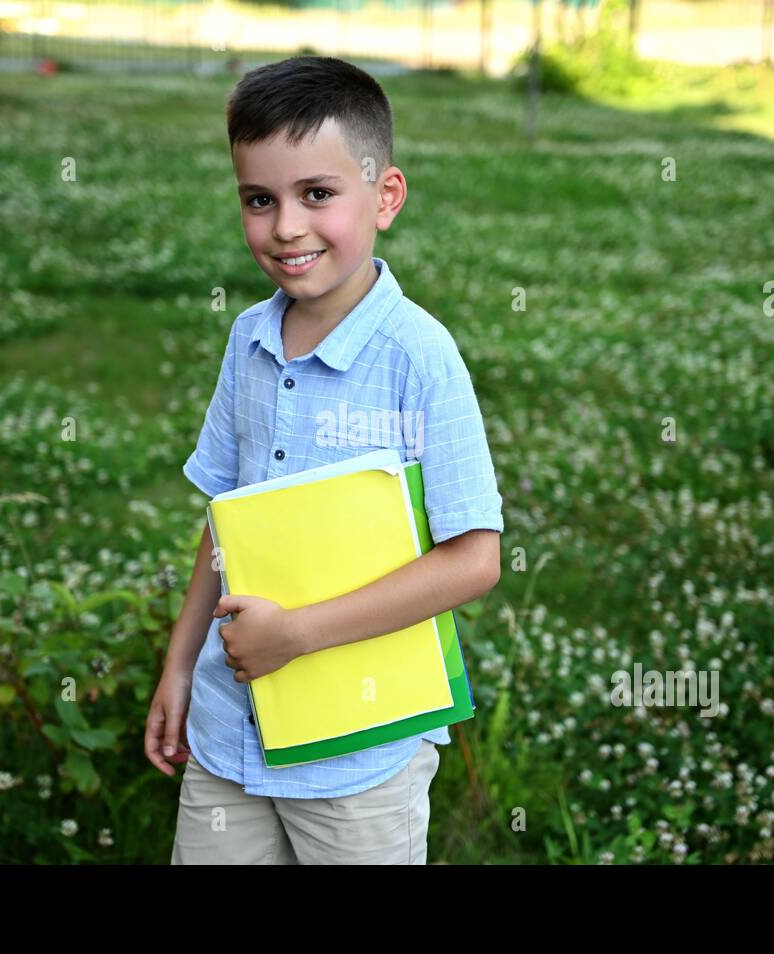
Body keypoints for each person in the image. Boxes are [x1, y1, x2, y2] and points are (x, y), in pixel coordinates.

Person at [145, 55, 504, 864]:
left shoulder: (419, 357)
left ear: (386, 197)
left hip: (358, 759)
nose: (285, 227)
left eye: (317, 195)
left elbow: (475, 560)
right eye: (259, 200)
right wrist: (176, 667)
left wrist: (298, 634)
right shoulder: (248, 340)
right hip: (225, 731)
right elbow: (223, 523)